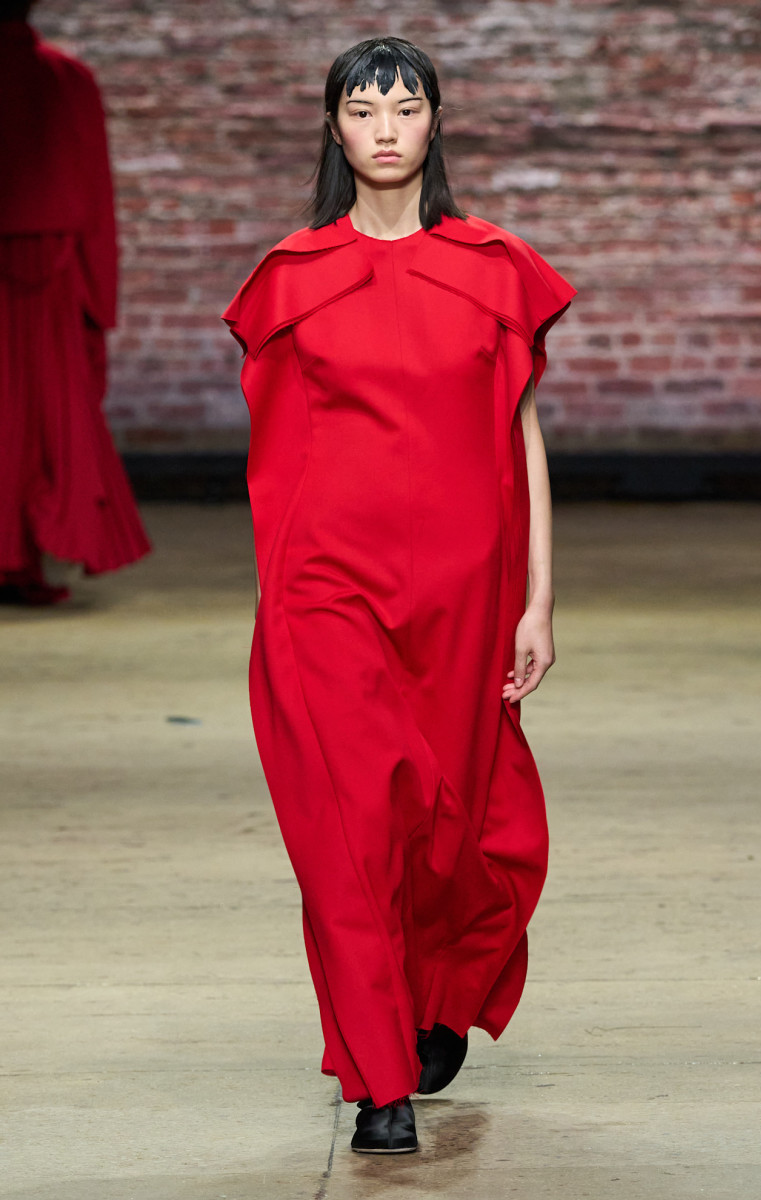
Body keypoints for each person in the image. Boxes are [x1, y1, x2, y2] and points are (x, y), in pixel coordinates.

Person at [222, 36, 576, 1155]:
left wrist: (537, 601)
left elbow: (521, 438)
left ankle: (436, 997)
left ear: (434, 122)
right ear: (333, 127)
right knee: (349, 825)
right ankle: (379, 1079)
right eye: (363, 109)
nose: (385, 128)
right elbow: (276, 454)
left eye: (406, 106)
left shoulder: (493, 268)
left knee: (452, 823)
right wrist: (279, 597)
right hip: (326, 587)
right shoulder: (289, 279)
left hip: (463, 589)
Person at [0, 1, 150, 606]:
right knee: (41, 418)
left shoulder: (70, 78)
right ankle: (20, 560)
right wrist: (99, 299)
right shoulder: (68, 80)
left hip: (46, 270)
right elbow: (94, 193)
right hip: (53, 275)